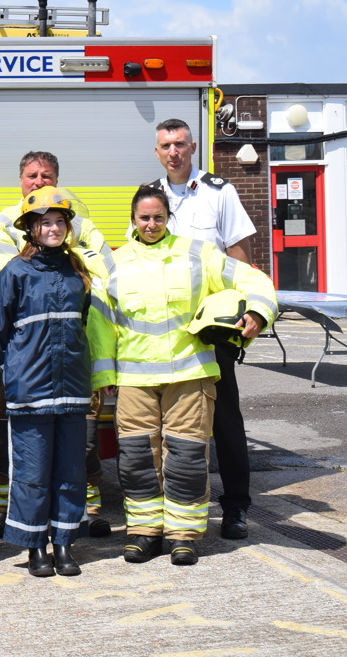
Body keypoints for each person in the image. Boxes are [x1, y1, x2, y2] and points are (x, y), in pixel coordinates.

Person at [88, 186, 275, 566]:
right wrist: (104, 375)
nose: (152, 224)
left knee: (187, 457)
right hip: (135, 379)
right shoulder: (114, 264)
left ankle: (183, 535)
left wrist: (256, 311)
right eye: (144, 218)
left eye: (158, 217)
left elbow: (254, 280)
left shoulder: (199, 254)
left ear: (168, 217)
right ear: (133, 219)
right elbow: (101, 324)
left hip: (190, 374)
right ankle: (143, 533)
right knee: (139, 458)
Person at [0, 151, 113, 540]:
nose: (39, 181)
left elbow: (104, 278)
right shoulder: (4, 230)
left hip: (72, 370)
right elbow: (8, 293)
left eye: (47, 175)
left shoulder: (79, 245)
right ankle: (22, 531)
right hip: (29, 371)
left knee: (76, 458)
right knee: (26, 462)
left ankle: (69, 532)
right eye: (32, 175)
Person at [147, 118, 260, 541]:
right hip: (164, 331)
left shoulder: (219, 192)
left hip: (212, 329)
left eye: (179, 144)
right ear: (156, 152)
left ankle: (235, 508)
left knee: (224, 417)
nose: (173, 151)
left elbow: (241, 258)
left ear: (193, 147)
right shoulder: (150, 198)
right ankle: (165, 509)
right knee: (166, 423)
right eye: (165, 145)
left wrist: (244, 312)